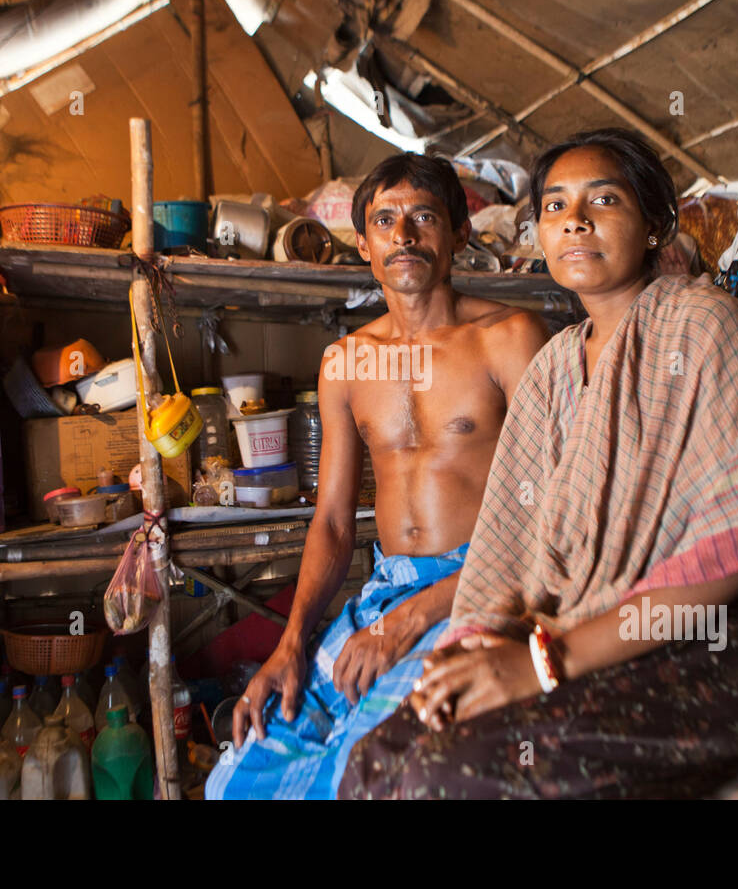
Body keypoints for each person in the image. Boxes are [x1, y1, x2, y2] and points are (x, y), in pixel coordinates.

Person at [340, 129, 738, 799]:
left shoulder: (704, 325)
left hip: (714, 652)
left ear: (654, 225)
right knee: (379, 757)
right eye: (555, 206)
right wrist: (469, 649)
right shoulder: (554, 366)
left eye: (604, 199)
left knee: (444, 774)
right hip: (580, 630)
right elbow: (508, 538)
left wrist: (541, 664)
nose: (575, 220)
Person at [204, 154, 551, 799]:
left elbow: (551, 516)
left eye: (424, 217)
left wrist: (413, 619)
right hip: (385, 592)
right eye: (385, 221)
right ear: (362, 243)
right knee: (240, 776)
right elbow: (333, 523)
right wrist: (292, 643)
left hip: (482, 588)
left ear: (459, 233)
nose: (405, 235)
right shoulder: (345, 364)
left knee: (365, 769)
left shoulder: (510, 339)